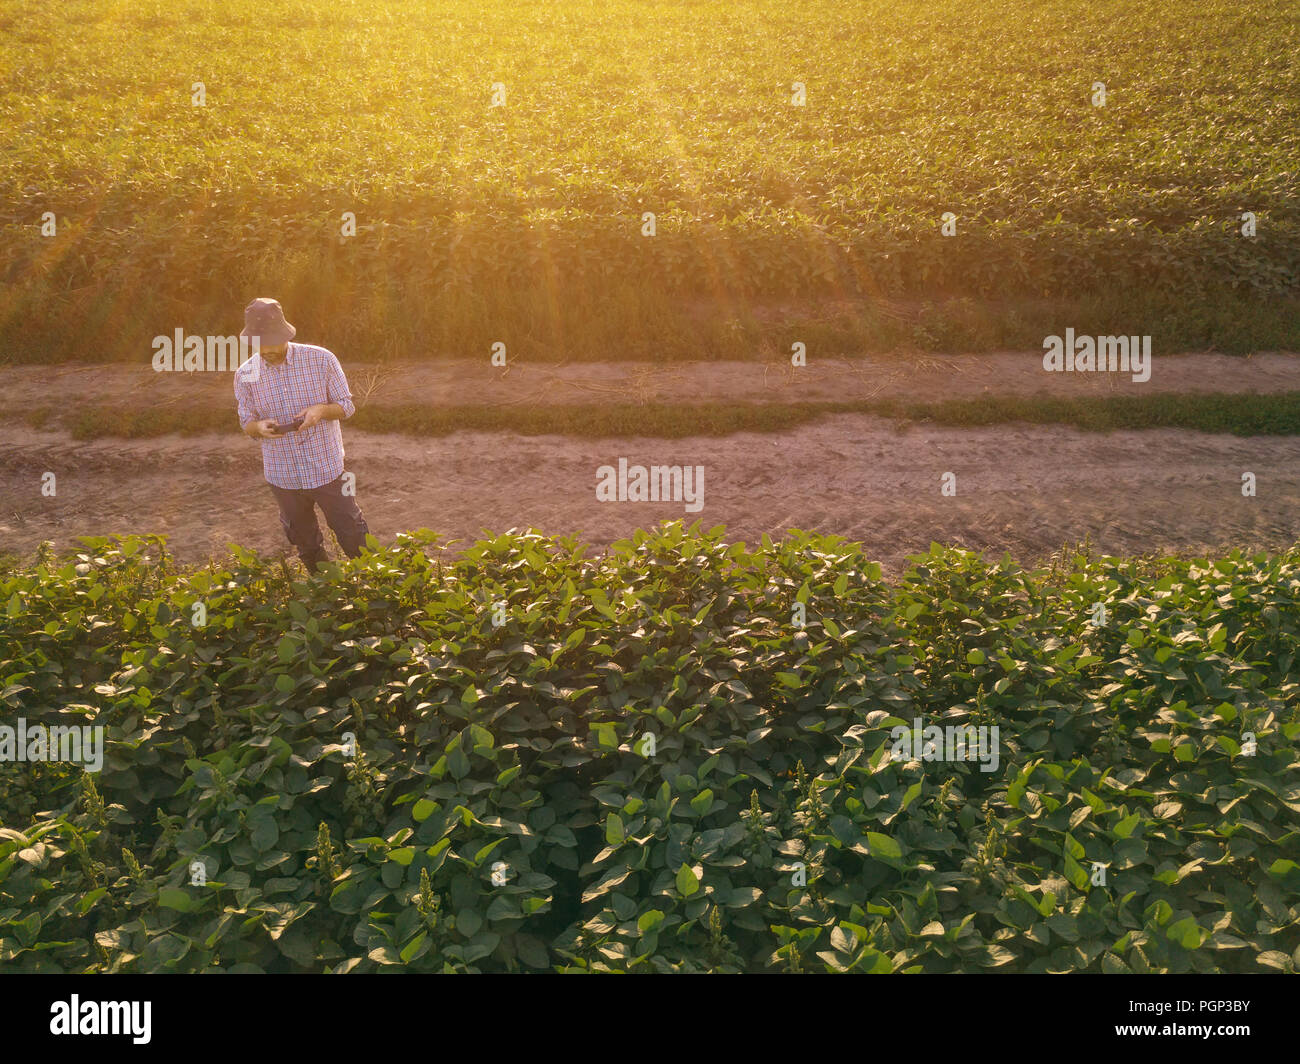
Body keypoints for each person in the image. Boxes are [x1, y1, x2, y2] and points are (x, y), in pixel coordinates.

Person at [233, 297, 370, 573]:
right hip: (282, 475)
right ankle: (325, 587)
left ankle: (373, 580)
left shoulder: (321, 359)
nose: (268, 349)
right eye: (261, 344)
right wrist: (258, 429)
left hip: (327, 468)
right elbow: (246, 423)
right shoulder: (245, 374)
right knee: (304, 539)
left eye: (273, 341)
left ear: (285, 333)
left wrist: (320, 411)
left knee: (351, 530)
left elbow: (347, 406)